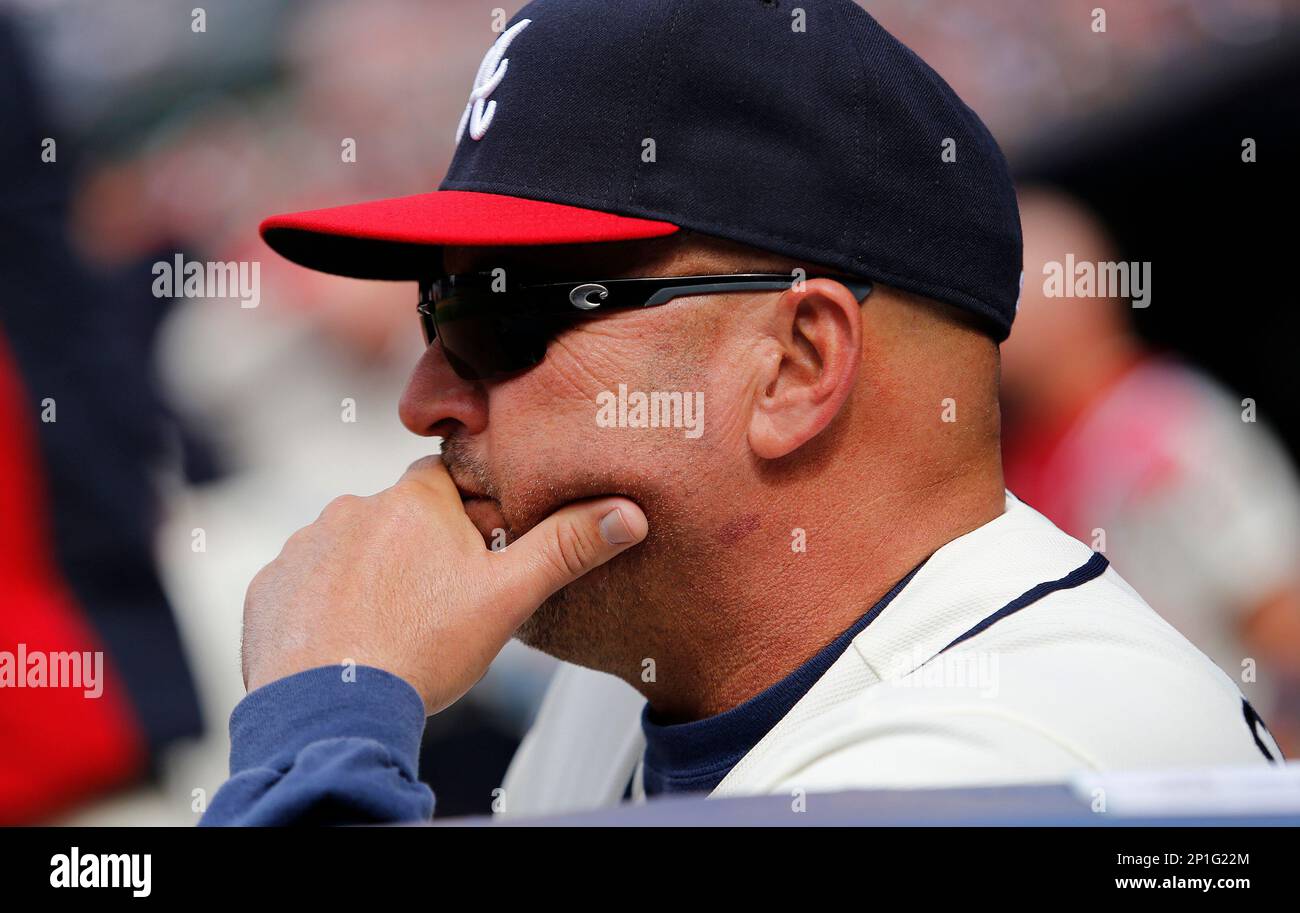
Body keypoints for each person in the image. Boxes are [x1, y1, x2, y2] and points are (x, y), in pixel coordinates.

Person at [201, 0, 1279, 826]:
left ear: (796, 364)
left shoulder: (1015, 753)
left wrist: (321, 728)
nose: (422, 398)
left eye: (499, 312)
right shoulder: (628, 692)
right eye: (434, 308)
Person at [1002, 187, 1300, 755]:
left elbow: (1282, 617)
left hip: (1222, 784)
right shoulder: (1026, 452)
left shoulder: (1166, 425)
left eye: (1010, 290)